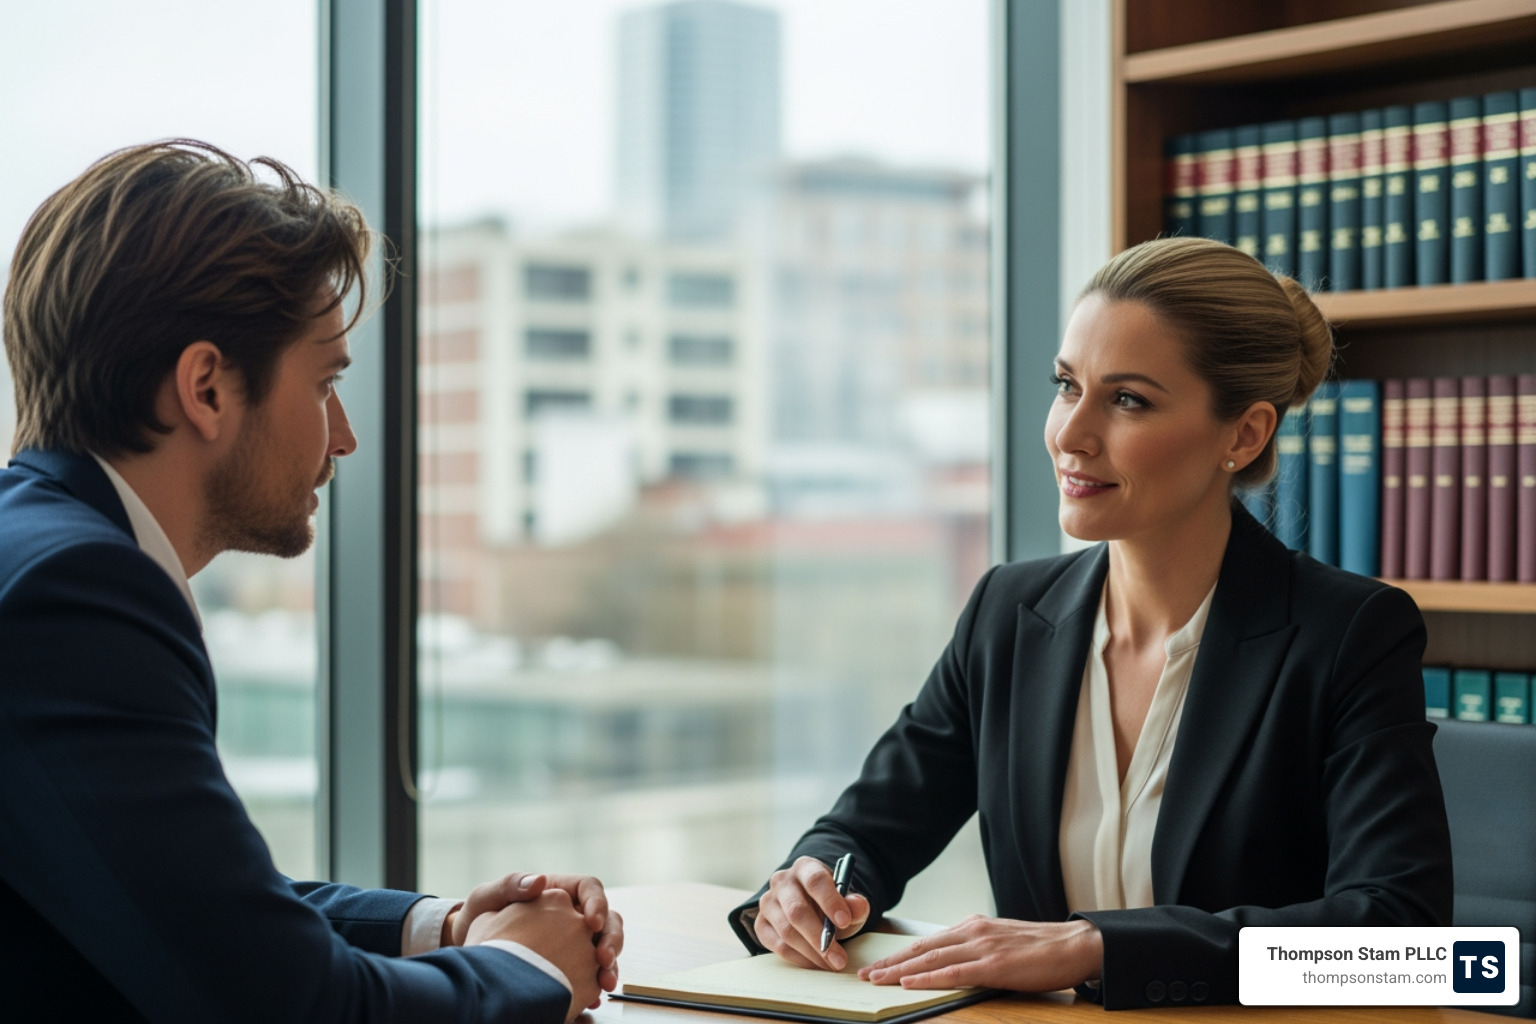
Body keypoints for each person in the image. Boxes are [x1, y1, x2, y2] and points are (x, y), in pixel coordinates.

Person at [728, 236, 1453, 1009]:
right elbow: (865, 833)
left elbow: (1404, 948)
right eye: (1066, 385)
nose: (1071, 434)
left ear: (1243, 435)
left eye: (1128, 399)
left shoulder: (1349, 634)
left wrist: (1097, 946)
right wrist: (814, 885)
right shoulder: (1008, 615)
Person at [0, 140, 622, 1022]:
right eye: (326, 382)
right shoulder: (78, 594)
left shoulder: (39, 552)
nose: (343, 438)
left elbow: (192, 905)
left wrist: (441, 927)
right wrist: (529, 970)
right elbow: (292, 1006)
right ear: (207, 388)